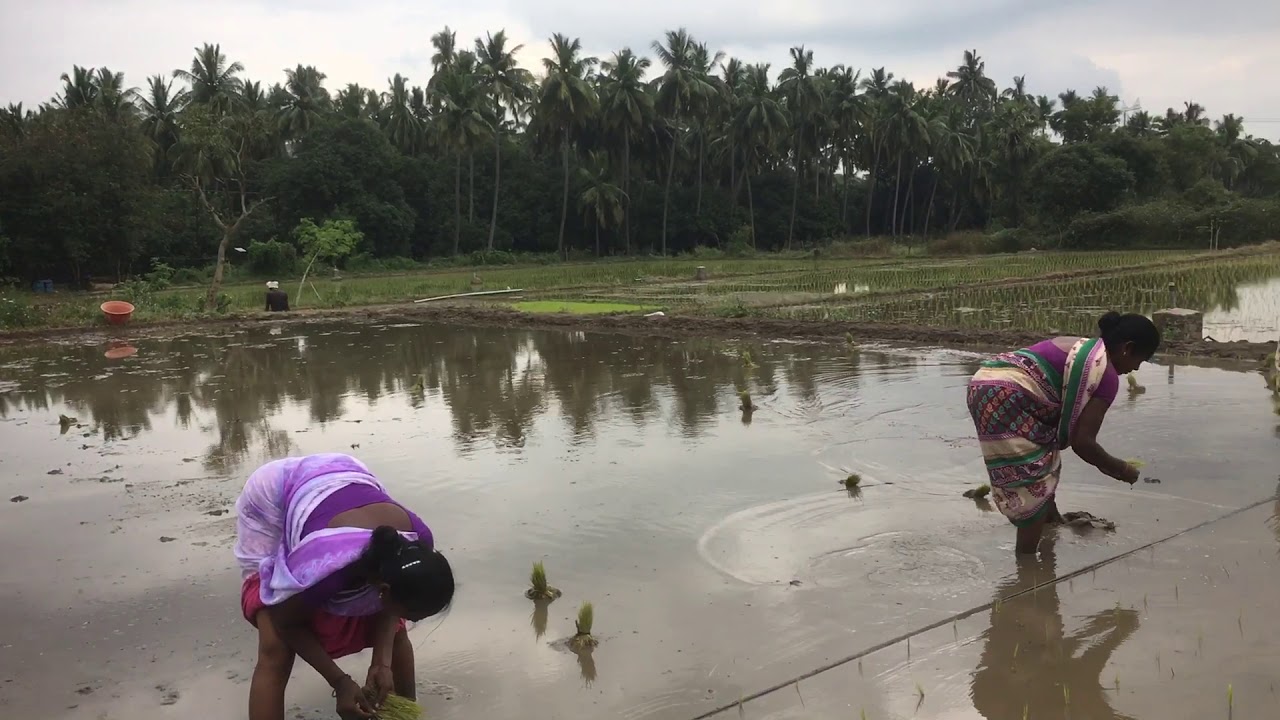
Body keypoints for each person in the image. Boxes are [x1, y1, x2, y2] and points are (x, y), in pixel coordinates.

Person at [234, 454, 454, 720]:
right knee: (275, 647)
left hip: (344, 479)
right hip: (273, 494)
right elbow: (287, 622)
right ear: (382, 591)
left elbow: (392, 606)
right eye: (411, 615)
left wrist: (382, 663)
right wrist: (339, 681)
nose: (409, 620)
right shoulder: (326, 567)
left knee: (395, 634)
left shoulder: (418, 543)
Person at [966, 311, 1162, 554]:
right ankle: (1028, 569)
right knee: (1032, 483)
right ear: (1128, 349)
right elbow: (1083, 443)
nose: (1136, 368)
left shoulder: (1083, 347)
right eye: (1140, 361)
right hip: (1010, 395)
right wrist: (1121, 469)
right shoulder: (1106, 373)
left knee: (1043, 459)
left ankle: (1051, 520)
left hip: (983, 383)